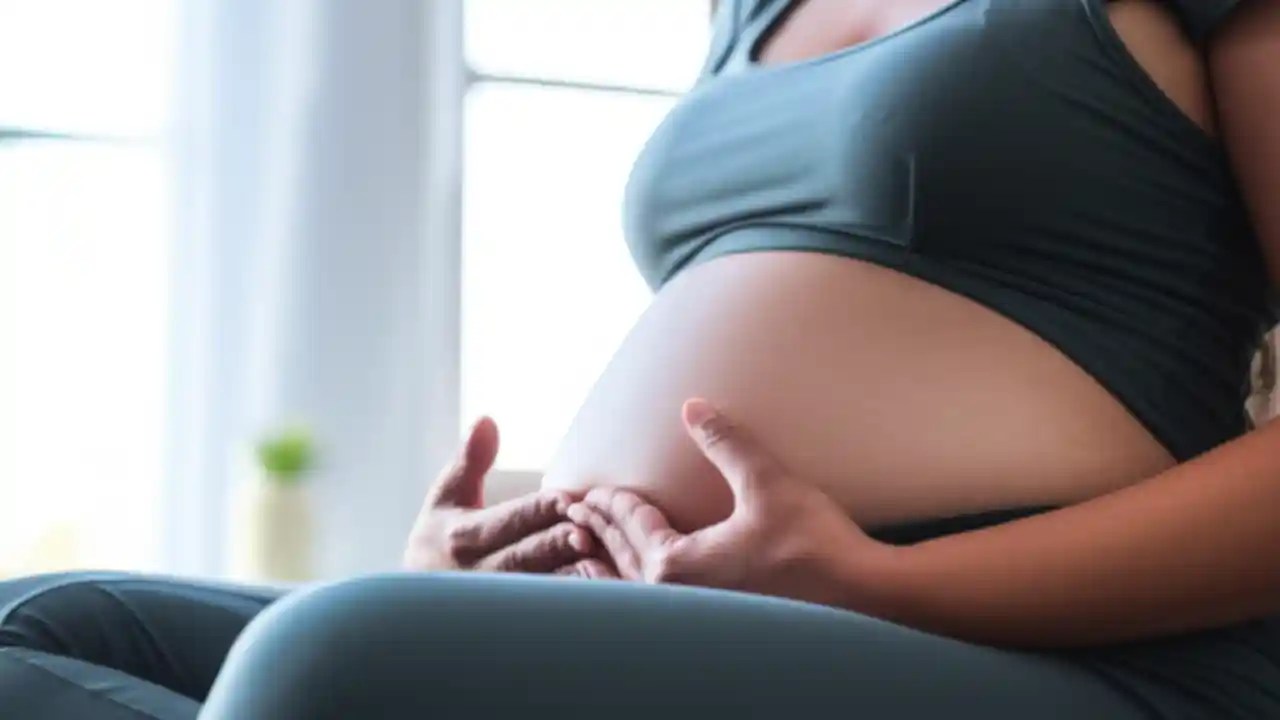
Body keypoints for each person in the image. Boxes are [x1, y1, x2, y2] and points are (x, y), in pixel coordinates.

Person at [3, 0, 1278, 716]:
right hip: (655, 607)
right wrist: (462, 578)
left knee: (324, 666)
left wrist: (887, 583)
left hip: (1065, 654)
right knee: (37, 630)